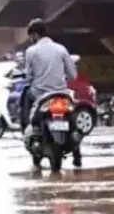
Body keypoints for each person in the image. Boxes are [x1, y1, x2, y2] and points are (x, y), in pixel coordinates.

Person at [21, 18, 82, 167]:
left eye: (31, 36)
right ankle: (77, 154)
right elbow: (73, 75)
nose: (31, 39)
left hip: (40, 95)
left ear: (35, 35)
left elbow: (28, 77)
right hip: (62, 94)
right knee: (72, 120)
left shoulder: (31, 51)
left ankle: (29, 131)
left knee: (24, 100)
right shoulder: (61, 49)